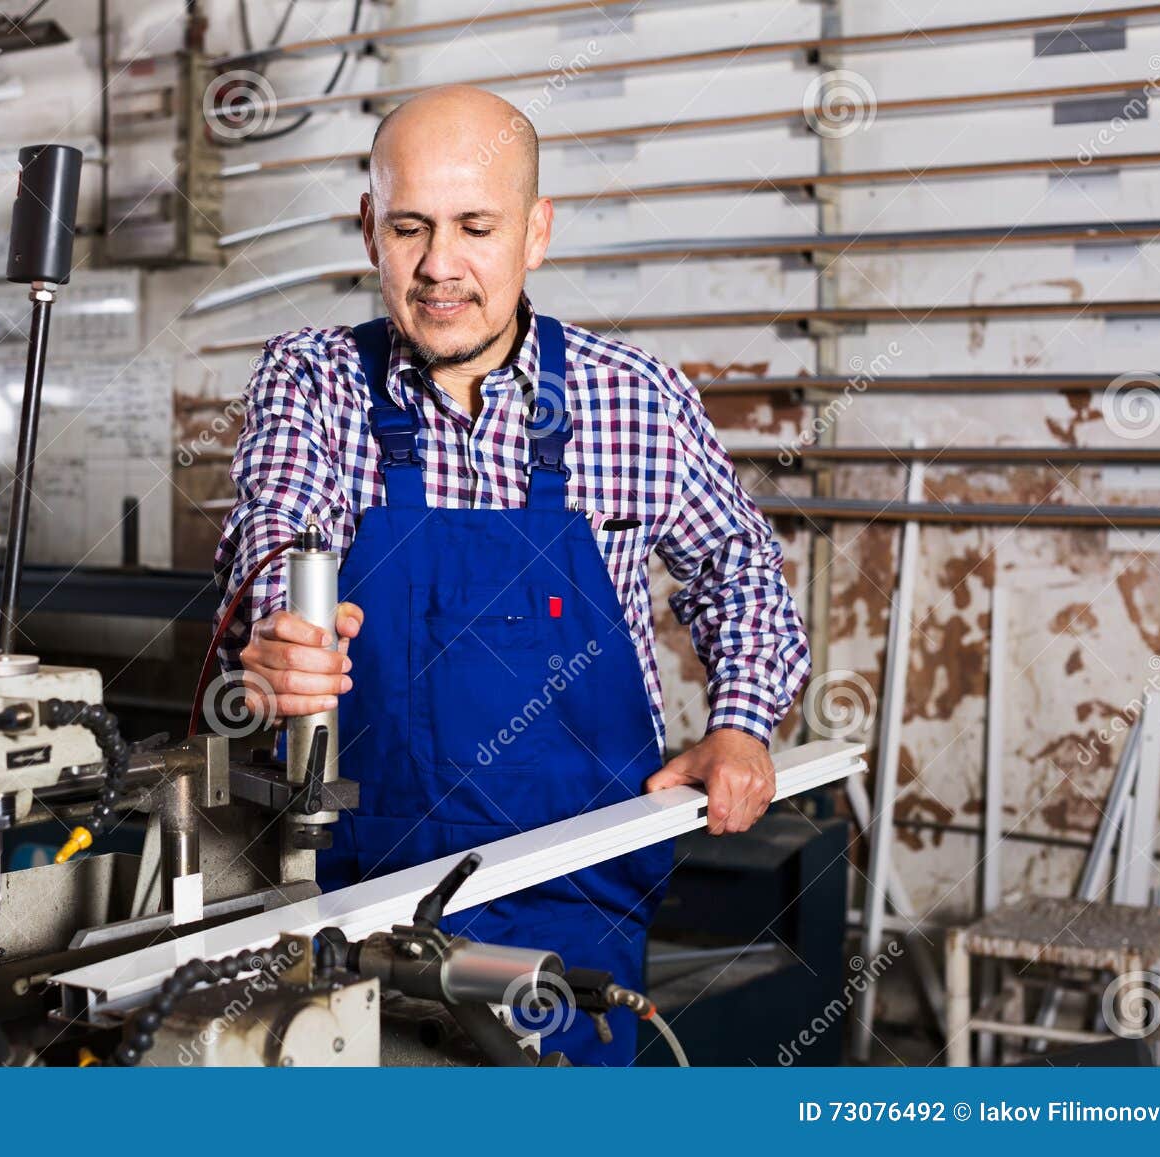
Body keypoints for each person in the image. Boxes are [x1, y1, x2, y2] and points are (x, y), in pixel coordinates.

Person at [212, 85, 810, 1065]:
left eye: (474, 227)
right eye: (409, 226)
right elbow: (278, 524)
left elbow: (740, 572)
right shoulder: (310, 379)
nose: (439, 265)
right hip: (355, 903)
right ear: (369, 229)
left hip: (575, 903)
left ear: (535, 233)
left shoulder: (636, 399)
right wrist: (284, 634)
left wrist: (741, 724)